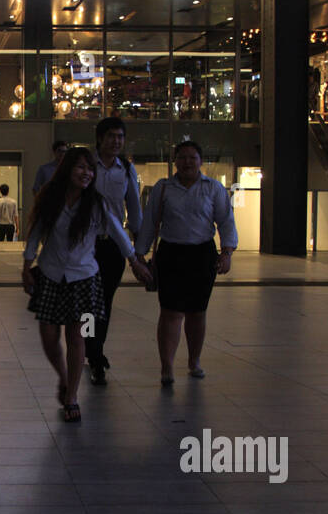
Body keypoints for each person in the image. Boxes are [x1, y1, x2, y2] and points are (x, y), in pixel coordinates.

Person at [22, 147, 151, 422]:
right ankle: (64, 376)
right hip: (50, 274)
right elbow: (36, 233)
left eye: (90, 169)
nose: (87, 173)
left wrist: (135, 261)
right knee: (48, 336)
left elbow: (118, 233)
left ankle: (71, 396)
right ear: (67, 169)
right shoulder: (50, 197)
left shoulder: (96, 203)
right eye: (81, 167)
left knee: (77, 335)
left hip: (84, 277)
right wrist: (26, 265)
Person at [134, 140, 237, 386]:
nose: (187, 162)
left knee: (197, 312)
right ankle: (167, 367)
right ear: (175, 161)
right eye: (182, 157)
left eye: (192, 157)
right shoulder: (163, 188)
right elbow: (150, 223)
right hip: (171, 254)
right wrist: (139, 256)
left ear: (201, 161)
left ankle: (194, 361)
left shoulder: (214, 188)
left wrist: (227, 253)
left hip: (202, 254)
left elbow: (226, 221)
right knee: (170, 312)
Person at [85, 117, 142, 386]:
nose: (116, 141)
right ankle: (92, 353)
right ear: (100, 139)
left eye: (120, 136)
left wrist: (138, 245)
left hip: (113, 246)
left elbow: (134, 208)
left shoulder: (126, 169)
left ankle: (96, 349)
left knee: (105, 301)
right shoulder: (86, 166)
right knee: (86, 303)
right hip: (85, 244)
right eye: (111, 136)